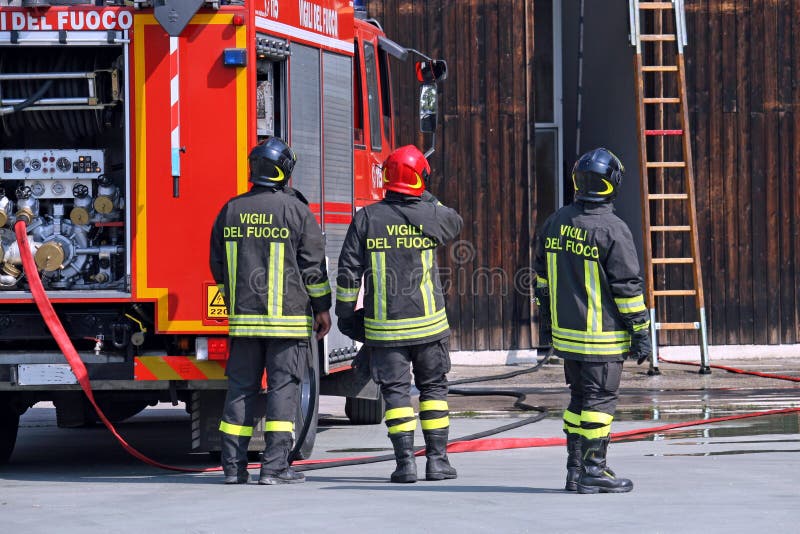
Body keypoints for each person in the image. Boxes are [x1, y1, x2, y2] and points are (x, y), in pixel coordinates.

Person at [336, 145, 463, 483]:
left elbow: (348, 272)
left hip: (385, 330)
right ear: (420, 178)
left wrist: (346, 316)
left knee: (396, 395)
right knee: (434, 390)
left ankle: (405, 464)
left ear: (387, 179)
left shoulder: (366, 218)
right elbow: (456, 221)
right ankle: (437, 462)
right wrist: (426, 194)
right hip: (429, 327)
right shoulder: (433, 216)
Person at [209, 138, 331, 485]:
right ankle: (275, 468)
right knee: (282, 390)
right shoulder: (296, 211)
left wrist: (236, 300)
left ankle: (233, 469)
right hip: (288, 323)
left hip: (243, 323)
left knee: (241, 390)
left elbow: (217, 265)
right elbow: (313, 269)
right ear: (285, 171)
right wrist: (322, 308)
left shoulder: (230, 209)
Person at [533, 147, 652, 494]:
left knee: (579, 401)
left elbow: (541, 279)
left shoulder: (556, 221)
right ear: (612, 183)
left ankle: (575, 470)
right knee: (599, 403)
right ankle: (594, 471)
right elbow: (627, 288)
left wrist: (547, 320)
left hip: (567, 337)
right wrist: (641, 332)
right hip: (602, 337)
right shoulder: (613, 229)